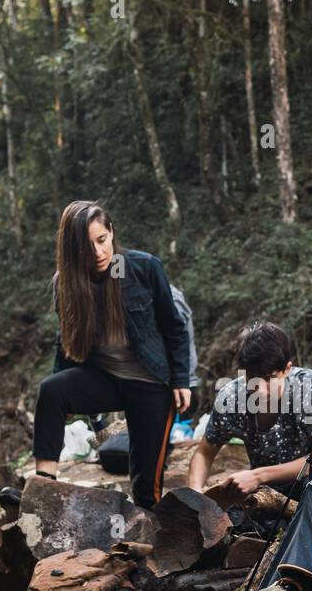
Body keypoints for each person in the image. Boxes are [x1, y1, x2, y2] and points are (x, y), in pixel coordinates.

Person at [28, 201, 191, 509]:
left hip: (150, 381)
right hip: (104, 378)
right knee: (51, 389)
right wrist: (61, 401)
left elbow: (175, 327)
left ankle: (148, 543)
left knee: (145, 487)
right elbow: (66, 341)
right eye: (87, 247)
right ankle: (43, 487)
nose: (98, 253)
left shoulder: (145, 268)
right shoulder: (65, 283)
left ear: (112, 232)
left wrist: (181, 380)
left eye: (102, 240)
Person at [187, 321, 312, 500]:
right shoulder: (232, 397)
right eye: (252, 379)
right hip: (261, 496)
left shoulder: (308, 387)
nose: (260, 390)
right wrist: (195, 493)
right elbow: (204, 452)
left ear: (287, 369)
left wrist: (259, 475)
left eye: (269, 378)